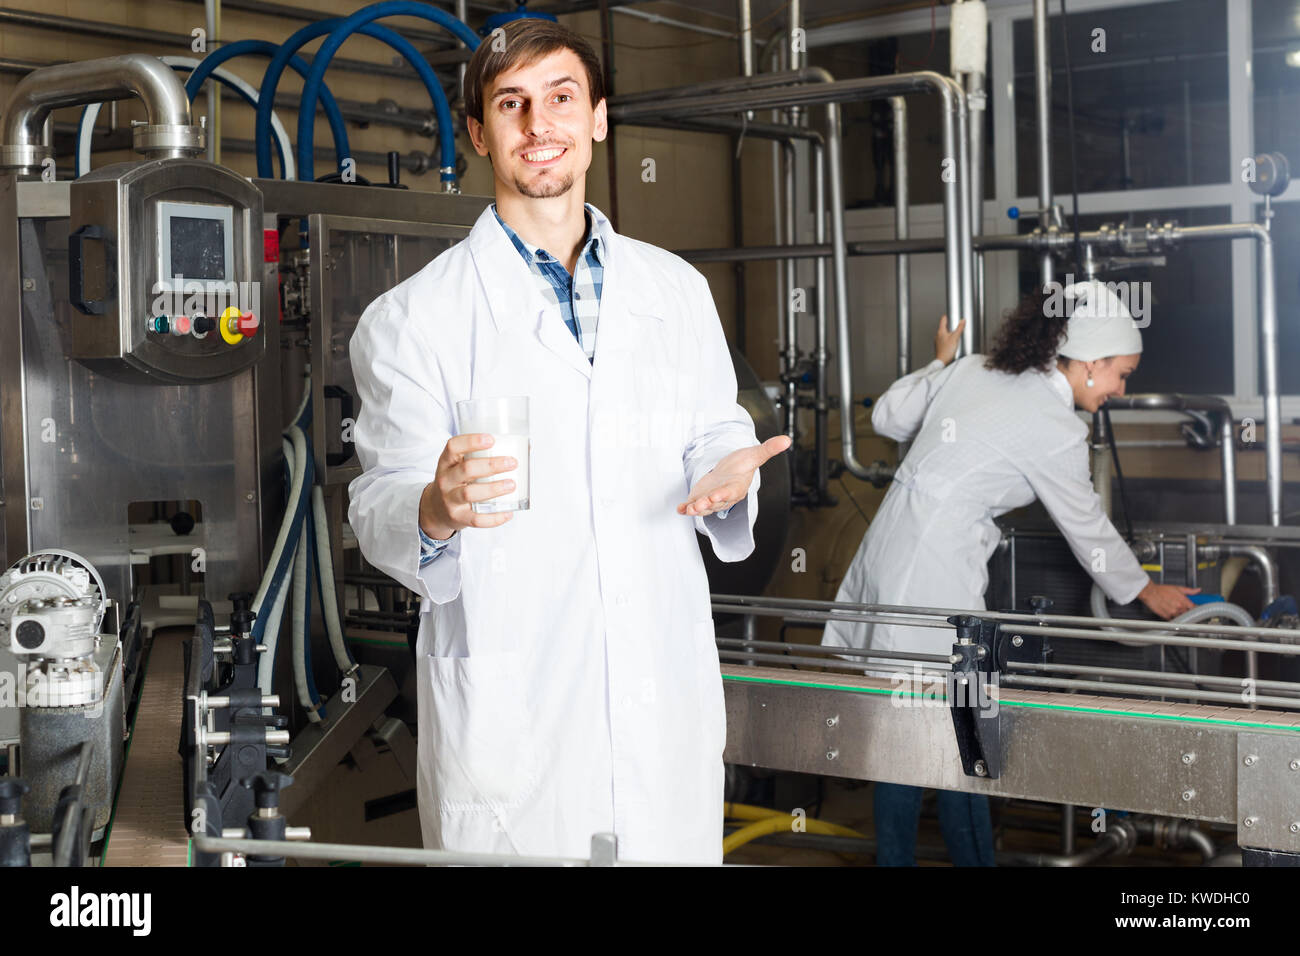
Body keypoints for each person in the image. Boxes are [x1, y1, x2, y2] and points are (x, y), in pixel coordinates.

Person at [346, 18, 790, 865]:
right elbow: (378, 501)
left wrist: (725, 470)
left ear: (598, 118)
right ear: (480, 133)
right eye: (511, 103)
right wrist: (433, 506)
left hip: (659, 705)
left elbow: (712, 428)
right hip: (512, 727)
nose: (538, 124)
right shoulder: (414, 318)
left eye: (560, 98)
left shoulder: (676, 291)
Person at [823, 281, 1199, 866]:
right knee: (965, 738)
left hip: (890, 551)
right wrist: (1145, 590)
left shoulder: (975, 368)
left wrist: (940, 361)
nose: (1122, 389)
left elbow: (889, 417)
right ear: (1091, 362)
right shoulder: (1054, 425)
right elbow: (1086, 527)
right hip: (936, 574)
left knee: (906, 739)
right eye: (1122, 374)